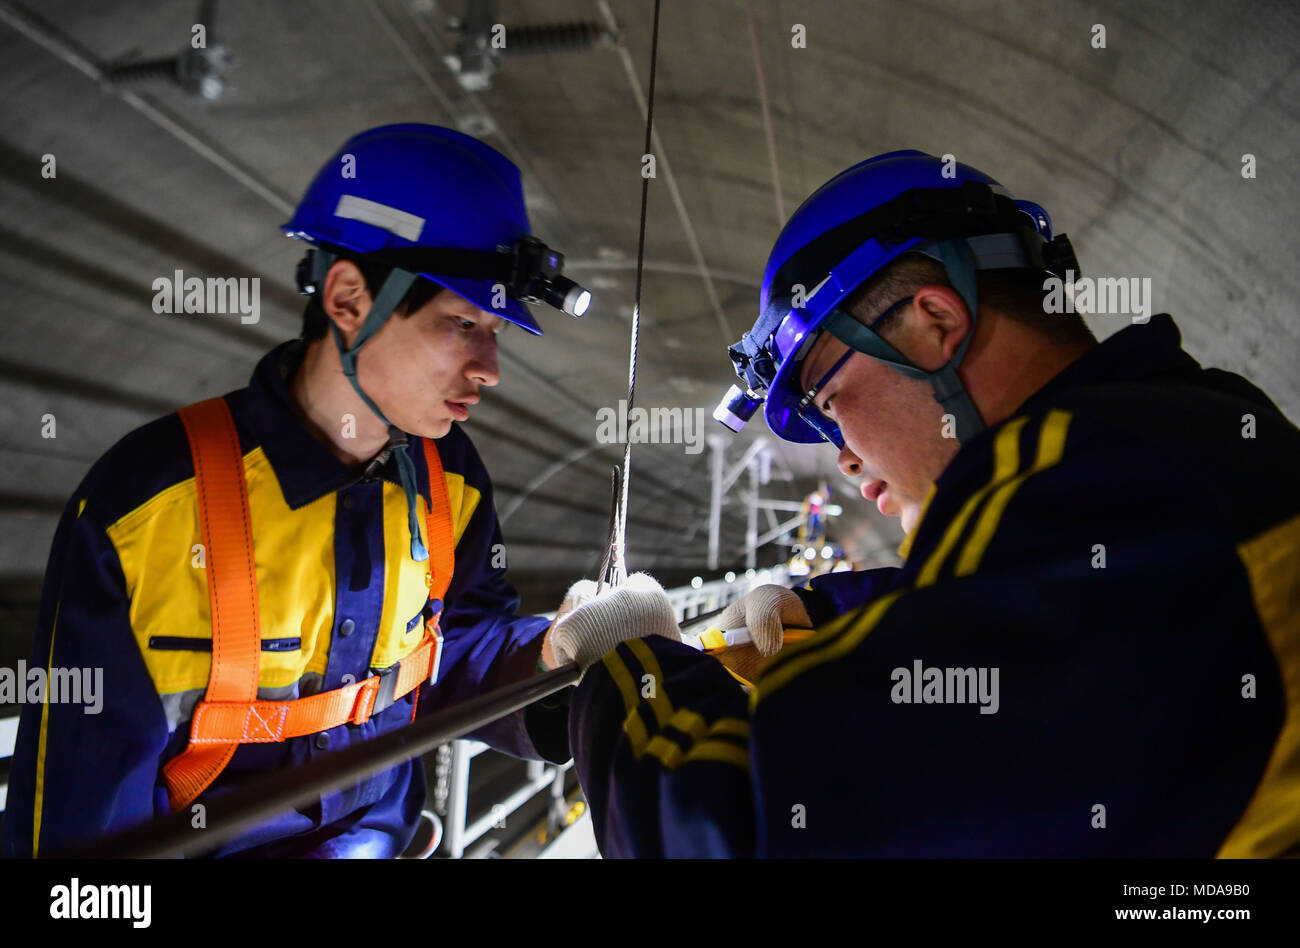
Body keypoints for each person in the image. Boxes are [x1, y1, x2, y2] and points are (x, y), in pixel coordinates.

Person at [549, 150, 1300, 857]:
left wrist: (630, 667)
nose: (840, 452)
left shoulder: (1097, 487)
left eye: (827, 399)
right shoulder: (1172, 436)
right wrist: (834, 617)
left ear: (936, 324)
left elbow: (745, 829)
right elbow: (1017, 608)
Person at [2, 123, 587, 858]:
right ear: (348, 299)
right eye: (462, 323)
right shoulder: (150, 502)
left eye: (494, 330)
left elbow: (458, 651)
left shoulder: (451, 479)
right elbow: (81, 811)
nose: (490, 367)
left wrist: (554, 653)